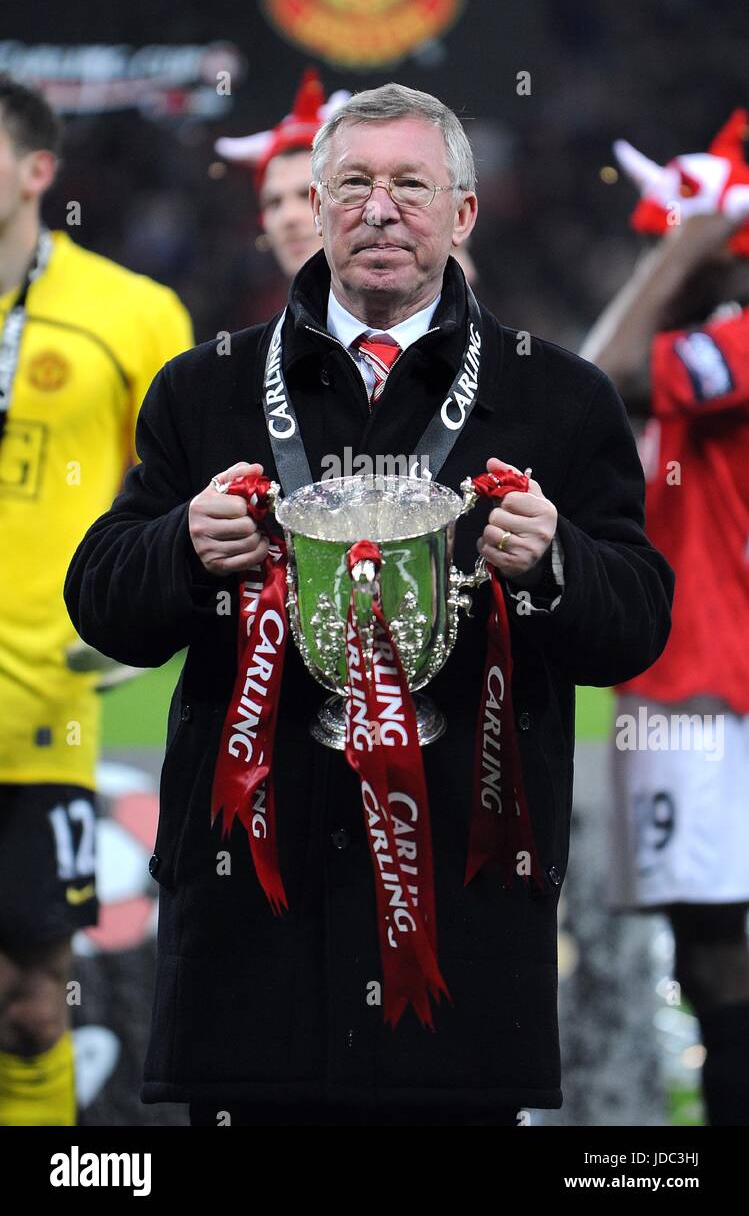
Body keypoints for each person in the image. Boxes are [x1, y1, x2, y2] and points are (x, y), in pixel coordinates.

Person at [64, 82, 673, 1127]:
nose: (377, 209)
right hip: (253, 915)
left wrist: (555, 561)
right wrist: (179, 546)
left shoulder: (558, 397)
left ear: (462, 213)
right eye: (349, 183)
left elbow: (635, 622)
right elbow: (102, 600)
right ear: (313, 198)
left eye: (408, 184)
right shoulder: (202, 390)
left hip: (462, 913)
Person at [0, 75, 193, 1125]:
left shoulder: (131, 312)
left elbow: (191, 493)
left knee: (31, 1006)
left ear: (38, 172)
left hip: (42, 714)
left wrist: (141, 621)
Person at [581, 110, 749, 1126]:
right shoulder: (698, 351)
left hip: (710, 690)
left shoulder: (730, 341)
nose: (647, 252)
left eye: (661, 236)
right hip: (676, 687)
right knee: (700, 952)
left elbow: (601, 377)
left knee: (719, 949)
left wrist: (689, 243)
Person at [215, 67, 351, 281]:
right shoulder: (274, 315)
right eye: (274, 202)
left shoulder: (413, 311)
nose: (288, 218)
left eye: (309, 196)